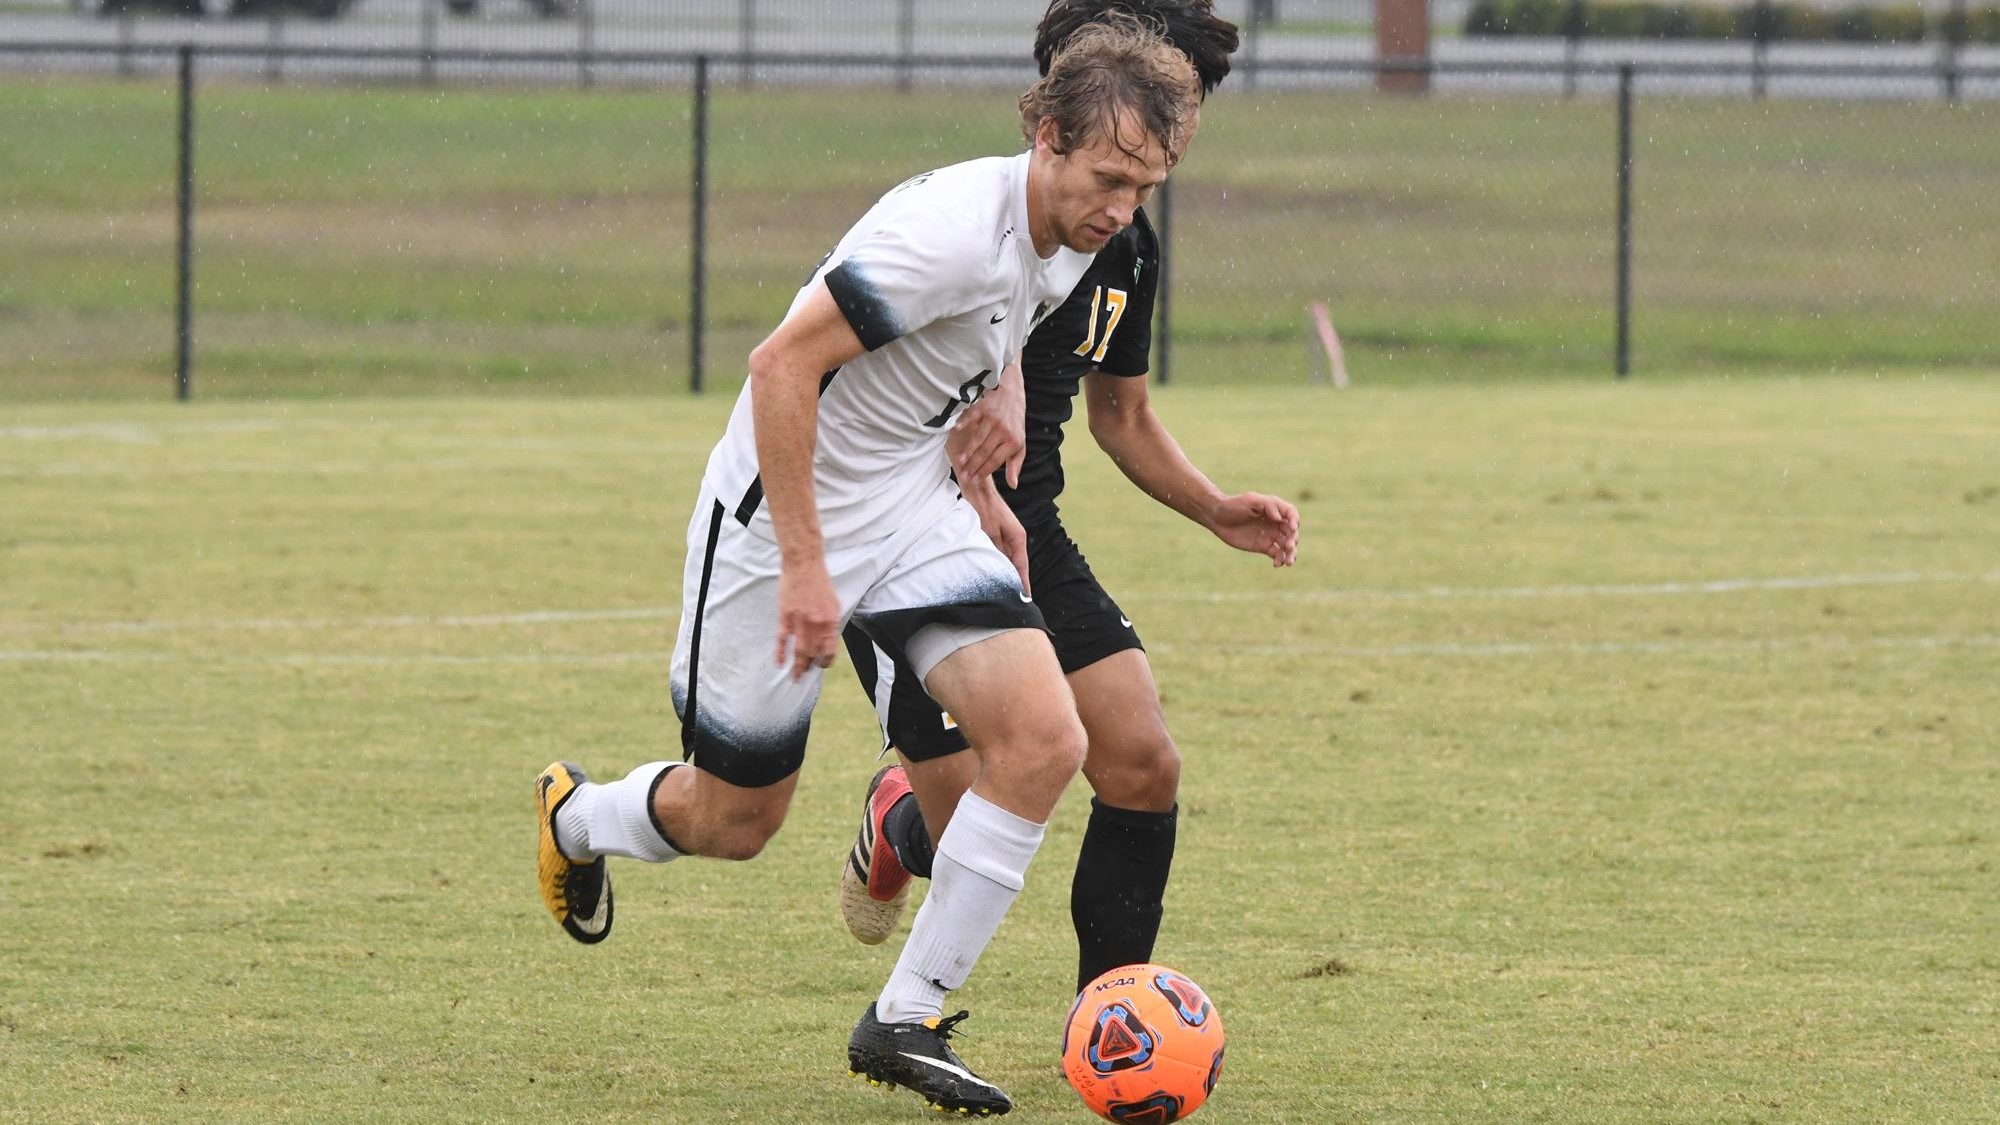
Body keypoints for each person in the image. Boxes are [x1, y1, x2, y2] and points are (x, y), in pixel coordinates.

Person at [534, 17, 1203, 1118]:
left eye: (1146, 185)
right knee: (739, 820)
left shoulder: (1077, 225)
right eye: (1108, 176)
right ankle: (579, 817)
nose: (1123, 209)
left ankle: (905, 1016)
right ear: (1043, 133)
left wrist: (986, 481)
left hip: (908, 500)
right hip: (773, 518)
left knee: (1043, 739)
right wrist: (805, 566)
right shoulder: (943, 230)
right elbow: (779, 366)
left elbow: (996, 330)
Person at [837, 0, 1300, 1002]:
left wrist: (1214, 507)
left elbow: (1120, 414)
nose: (1172, 120)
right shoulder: (975, 226)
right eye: (1158, 93)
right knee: (970, 825)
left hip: (1028, 525)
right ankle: (900, 820)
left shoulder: (1123, 240)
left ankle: (1114, 1019)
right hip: (916, 531)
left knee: (1140, 763)